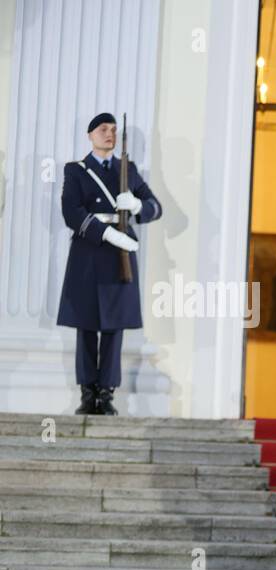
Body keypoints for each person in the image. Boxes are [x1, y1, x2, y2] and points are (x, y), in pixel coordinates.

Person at [56, 112, 163, 416]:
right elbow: (71, 214)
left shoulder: (126, 169)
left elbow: (156, 207)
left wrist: (138, 205)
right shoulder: (76, 170)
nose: (110, 134)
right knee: (87, 326)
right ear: (90, 135)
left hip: (121, 258)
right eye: (103, 129)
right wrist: (108, 236)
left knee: (114, 327)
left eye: (114, 130)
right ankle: (88, 393)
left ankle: (107, 393)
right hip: (90, 254)